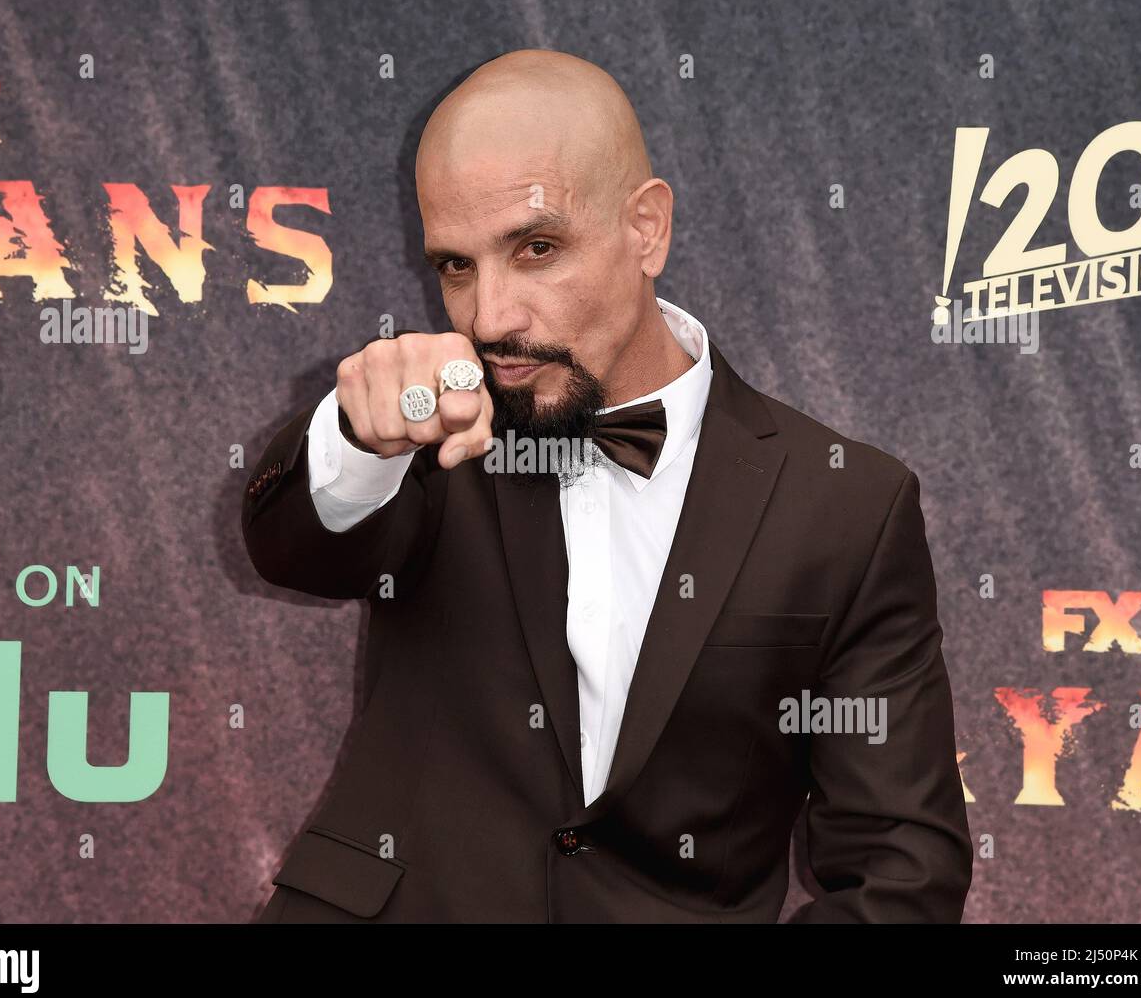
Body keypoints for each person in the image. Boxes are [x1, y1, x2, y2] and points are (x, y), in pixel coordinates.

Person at [243, 48, 973, 923]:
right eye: (455, 266)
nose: (490, 317)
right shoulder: (434, 425)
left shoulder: (844, 505)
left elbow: (900, 871)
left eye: (537, 248)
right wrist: (360, 435)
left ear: (646, 228)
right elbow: (293, 544)